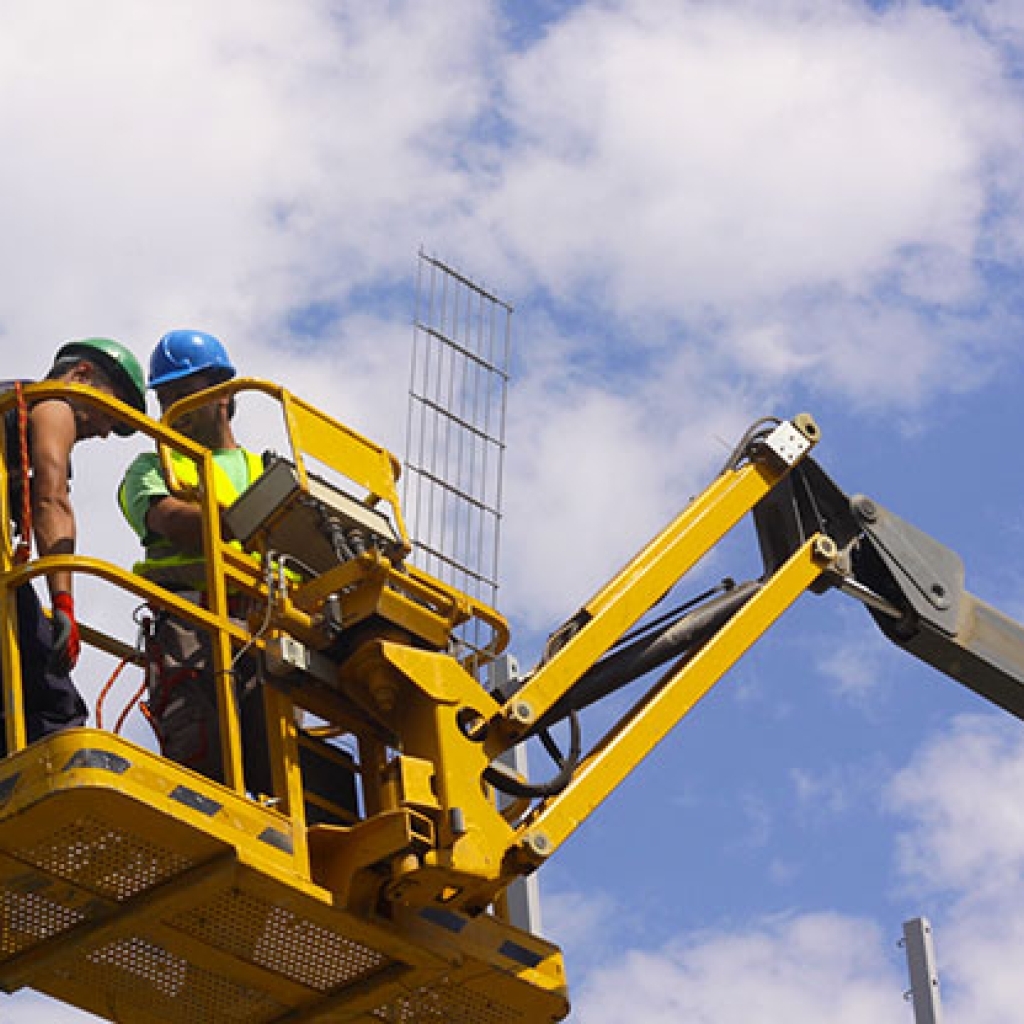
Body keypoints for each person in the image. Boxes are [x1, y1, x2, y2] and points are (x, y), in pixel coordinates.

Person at [118, 329, 271, 795]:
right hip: (190, 623)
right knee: (202, 748)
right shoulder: (153, 466)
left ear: (223, 395)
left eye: (183, 396)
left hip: (265, 629)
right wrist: (247, 520)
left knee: (280, 759)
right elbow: (170, 519)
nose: (172, 413)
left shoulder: (266, 471)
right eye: (166, 401)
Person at [0, 338, 147, 757]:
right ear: (81, 375)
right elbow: (51, 500)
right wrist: (63, 602)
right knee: (52, 704)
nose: (103, 432)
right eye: (107, 412)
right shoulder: (50, 404)